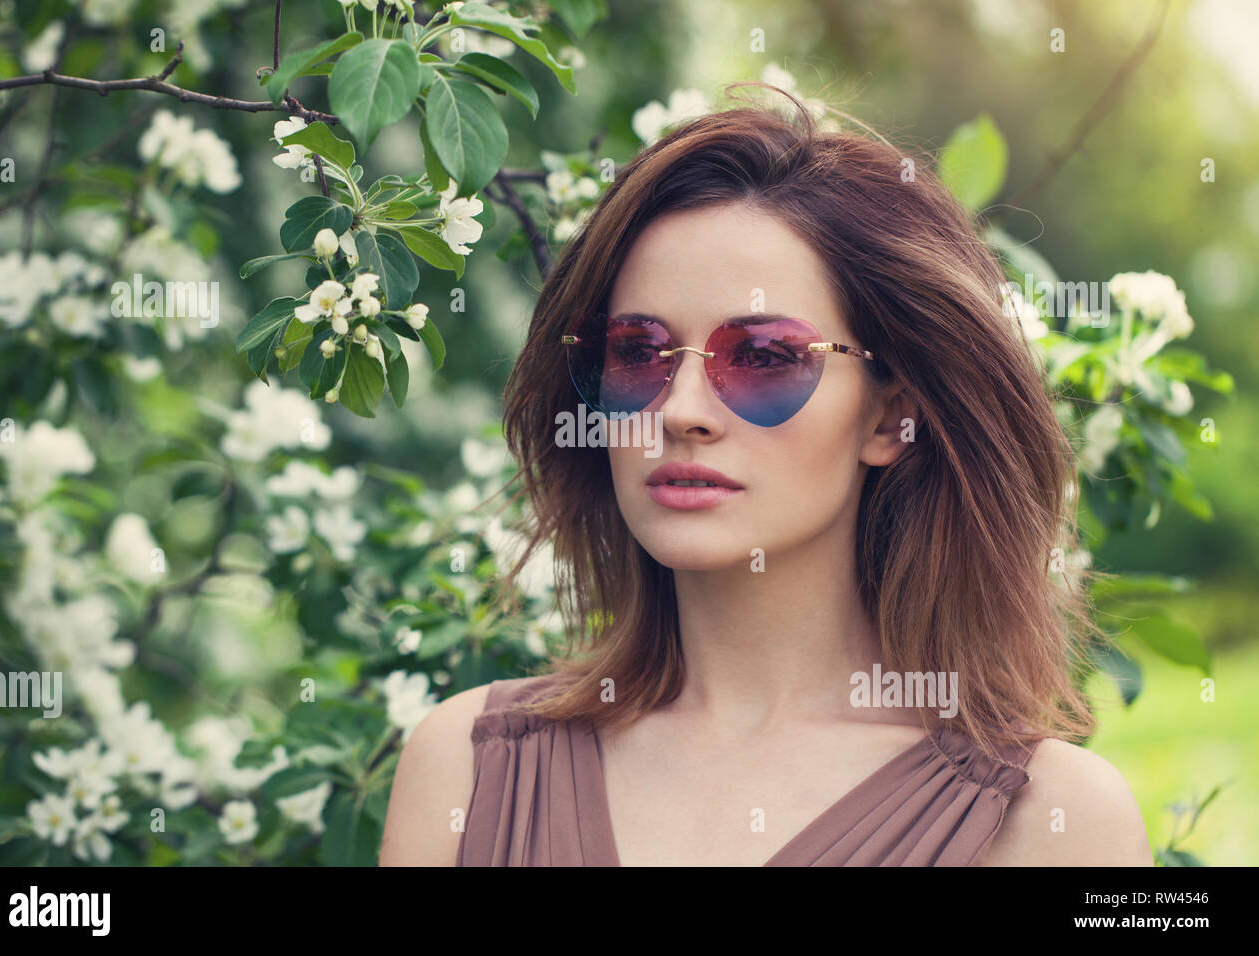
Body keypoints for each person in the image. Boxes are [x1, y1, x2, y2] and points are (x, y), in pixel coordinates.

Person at [380, 82, 1154, 866]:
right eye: (638, 352)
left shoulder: (1049, 819)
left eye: (761, 357)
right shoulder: (467, 770)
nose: (681, 410)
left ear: (891, 418)